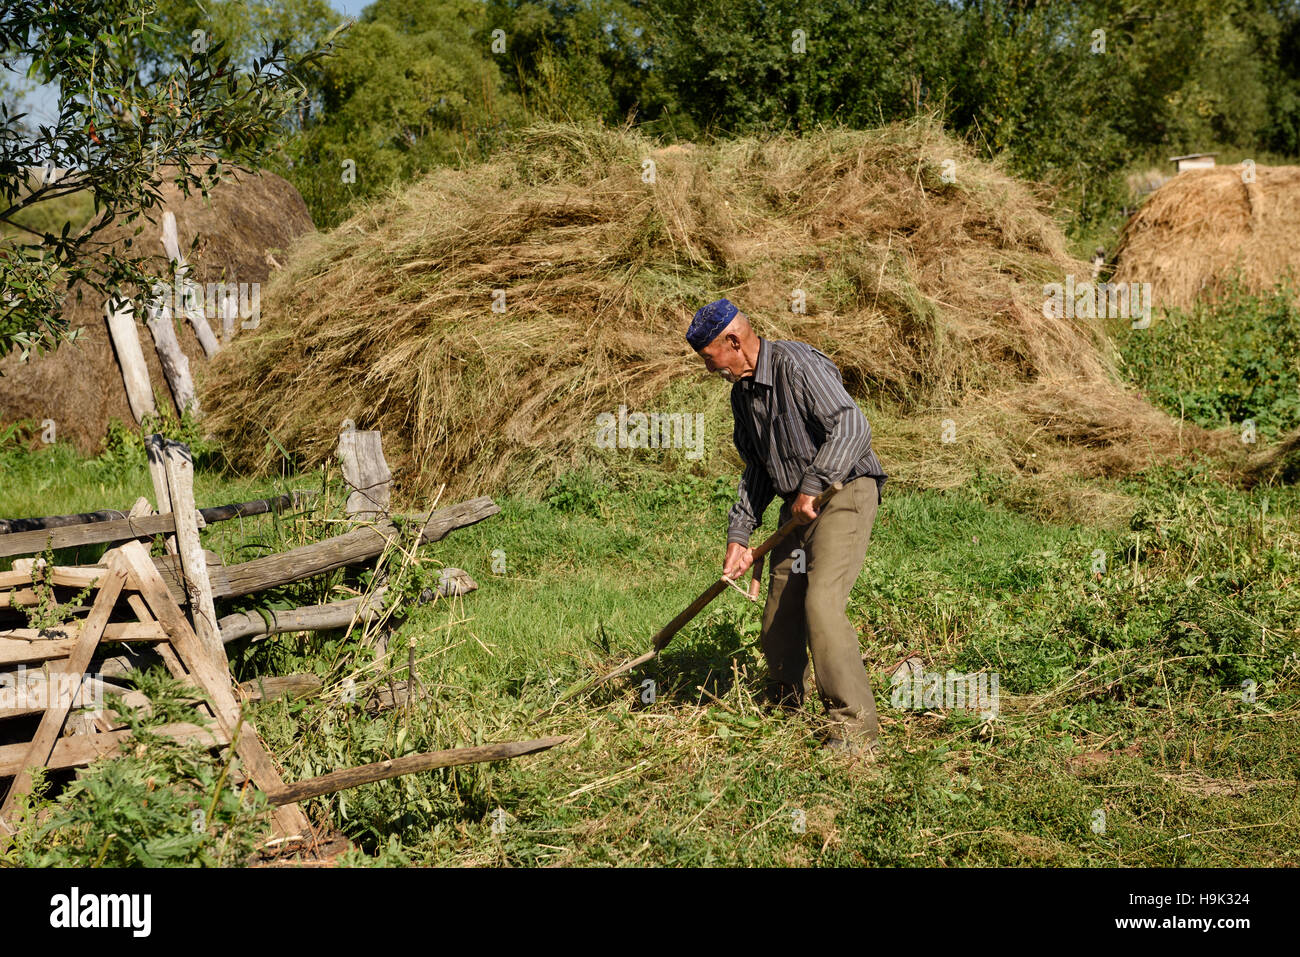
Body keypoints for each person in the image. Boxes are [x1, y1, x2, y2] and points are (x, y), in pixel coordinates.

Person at [687, 298, 888, 754]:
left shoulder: (797, 364)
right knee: (779, 608)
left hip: (844, 492)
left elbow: (853, 426)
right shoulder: (742, 395)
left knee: (821, 602)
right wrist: (740, 536)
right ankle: (784, 709)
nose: (709, 369)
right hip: (798, 508)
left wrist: (814, 483)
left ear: (733, 341)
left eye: (709, 359)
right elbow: (757, 469)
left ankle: (855, 732)